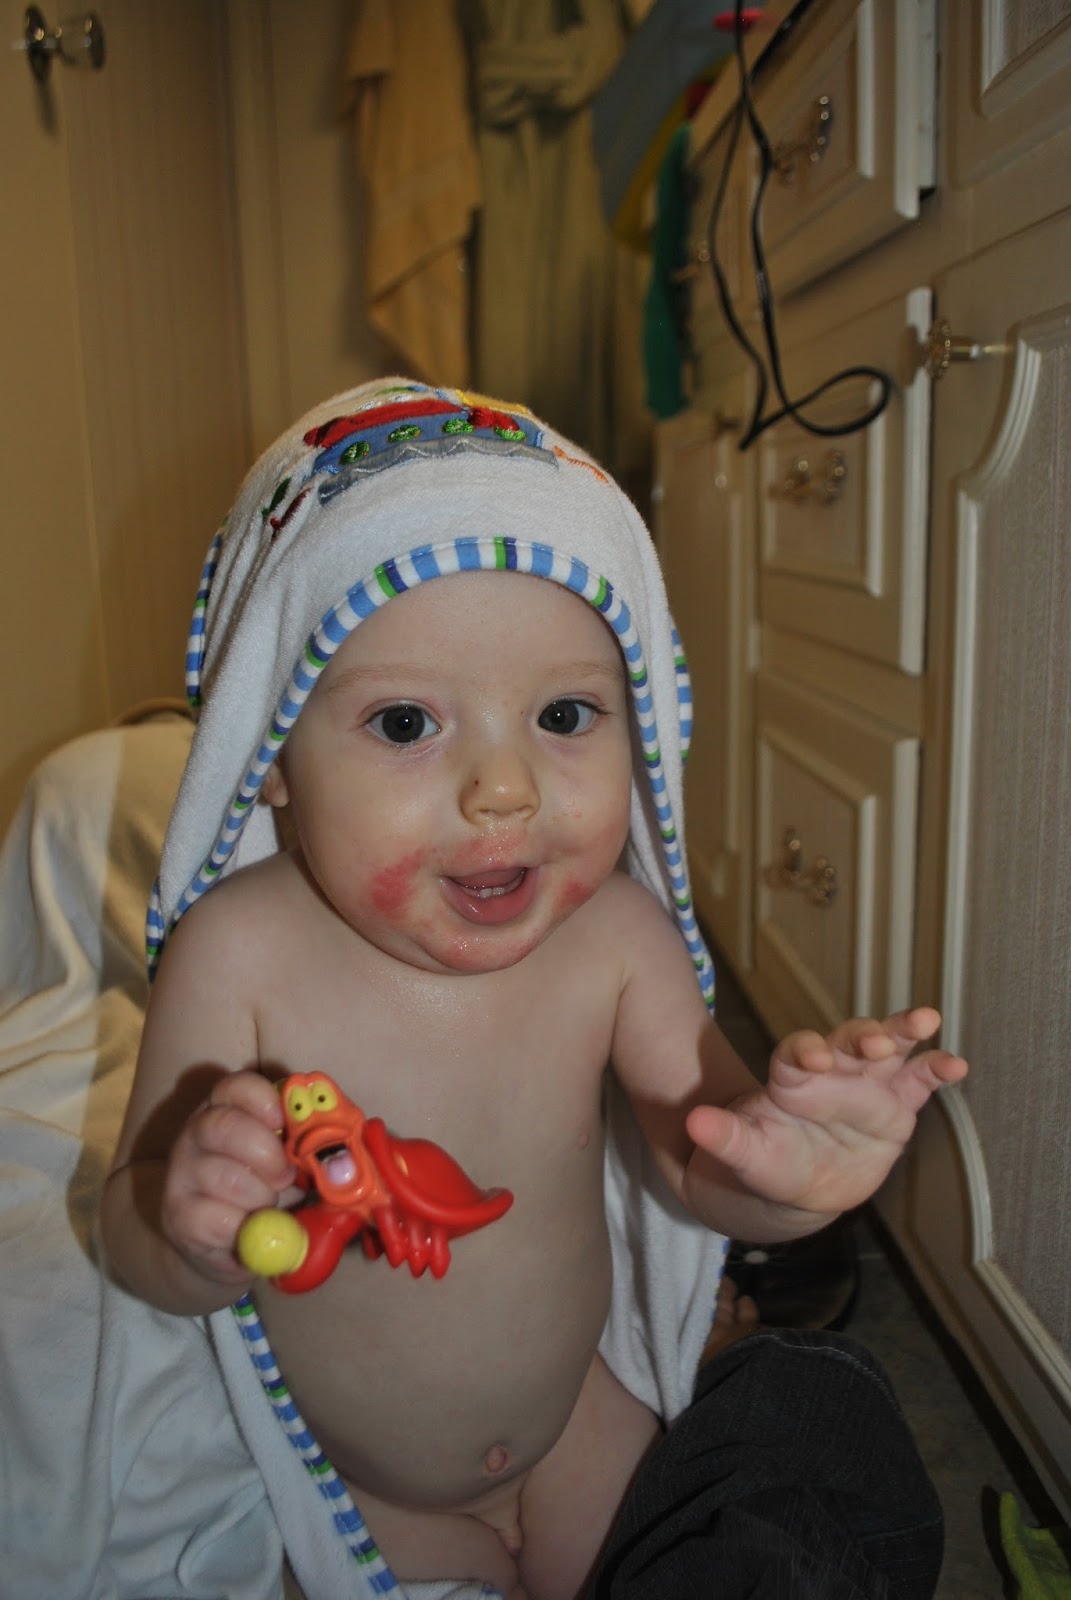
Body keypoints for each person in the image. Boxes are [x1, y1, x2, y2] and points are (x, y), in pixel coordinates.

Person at [100, 380, 967, 1600]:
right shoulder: (236, 959)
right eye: (406, 721)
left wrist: (789, 1184)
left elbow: (698, 1161)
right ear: (274, 756)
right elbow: (134, 1230)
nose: (503, 790)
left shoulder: (615, 938)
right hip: (374, 1504)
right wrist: (187, 1222)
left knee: (827, 1414)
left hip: (585, 1444)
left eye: (566, 713)